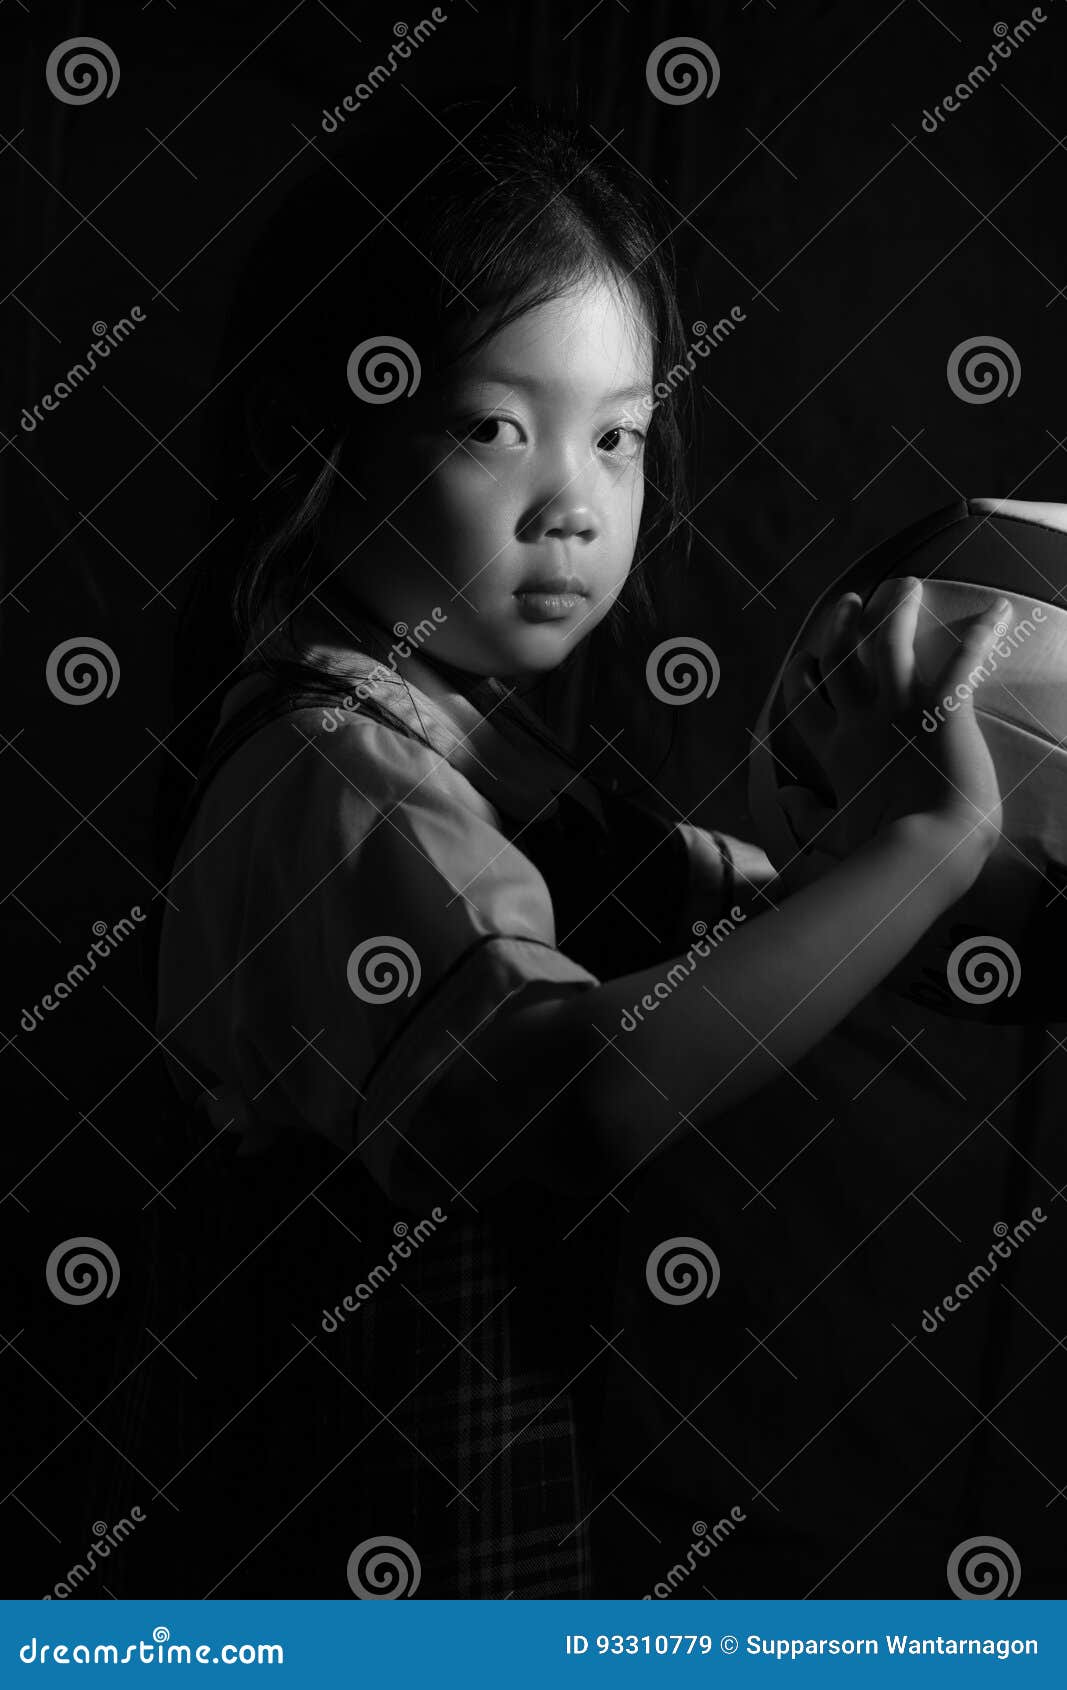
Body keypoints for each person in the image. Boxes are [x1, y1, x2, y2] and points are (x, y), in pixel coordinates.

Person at [148, 97, 1009, 1598]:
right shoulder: (338, 775)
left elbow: (745, 918)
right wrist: (937, 842)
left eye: (619, 437)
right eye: (496, 426)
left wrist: (915, 859)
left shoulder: (466, 740)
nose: (575, 504)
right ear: (320, 434)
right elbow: (583, 1096)